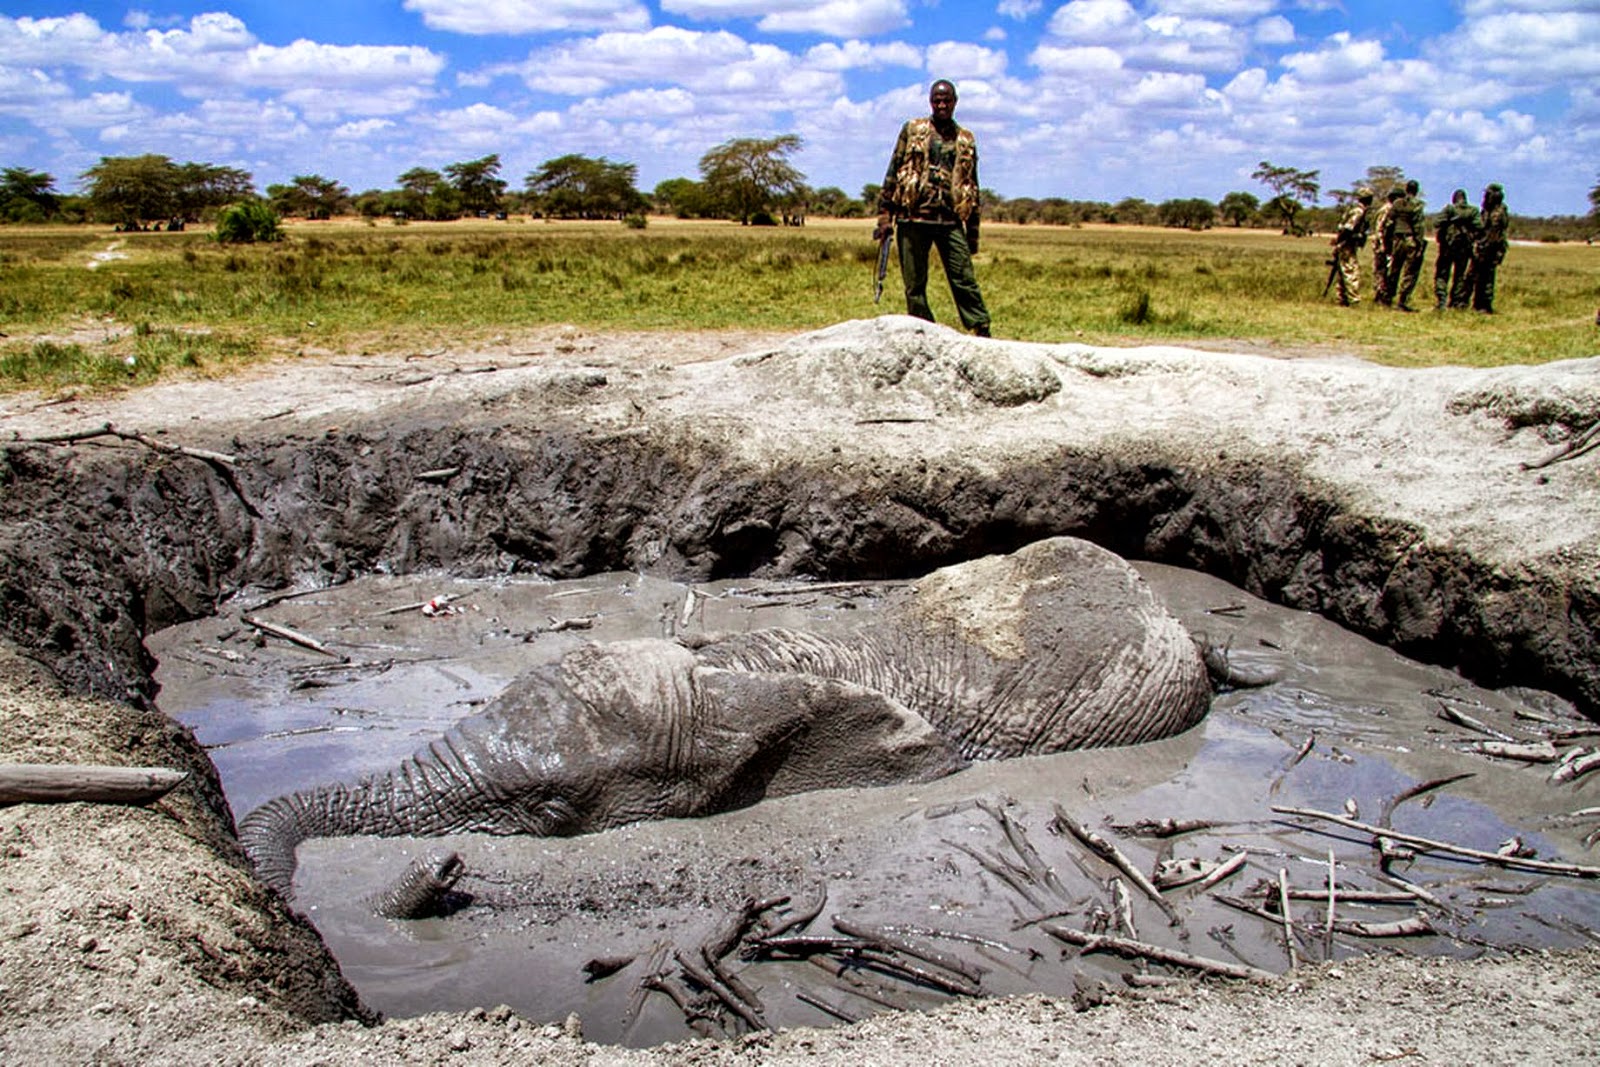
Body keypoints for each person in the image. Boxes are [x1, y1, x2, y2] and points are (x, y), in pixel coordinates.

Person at [874, 79, 992, 337]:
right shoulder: (913, 130)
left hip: (949, 222)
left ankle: (980, 327)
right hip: (912, 219)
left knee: (964, 278)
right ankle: (923, 330)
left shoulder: (965, 139)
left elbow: (972, 186)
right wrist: (884, 216)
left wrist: (972, 234)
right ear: (930, 101)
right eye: (937, 100)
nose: (942, 105)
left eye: (947, 100)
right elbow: (893, 171)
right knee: (914, 284)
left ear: (955, 102)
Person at [1432, 189, 1479, 310]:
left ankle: (1441, 301)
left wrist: (1449, 222)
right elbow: (1479, 227)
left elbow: (1436, 222)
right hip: (1464, 248)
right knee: (1459, 275)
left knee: (1442, 274)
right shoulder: (1473, 211)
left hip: (1447, 248)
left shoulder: (1449, 209)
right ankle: (1455, 302)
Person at [1383, 179, 1426, 312]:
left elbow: (1388, 223)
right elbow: (1418, 226)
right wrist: (1419, 244)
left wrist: (1388, 241)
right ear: (1416, 190)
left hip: (1397, 239)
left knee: (1394, 269)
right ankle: (1403, 300)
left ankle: (1388, 297)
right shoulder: (1417, 204)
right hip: (1410, 239)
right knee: (1410, 271)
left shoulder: (1396, 203)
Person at [1471, 183, 1510, 314]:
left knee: (1486, 276)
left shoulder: (1497, 213)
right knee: (1479, 276)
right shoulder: (1488, 210)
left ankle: (1485, 304)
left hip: (1490, 248)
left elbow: (1493, 234)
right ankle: (1478, 303)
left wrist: (1482, 246)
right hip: (1485, 246)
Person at [1331, 188, 1373, 306]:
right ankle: (1353, 299)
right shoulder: (1358, 212)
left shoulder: (1356, 210)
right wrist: (1339, 241)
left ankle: (1342, 299)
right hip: (1347, 245)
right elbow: (1348, 229)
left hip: (1347, 244)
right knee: (1351, 272)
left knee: (1343, 272)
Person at [1370, 188, 1401, 307]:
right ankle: (1381, 295)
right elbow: (1380, 229)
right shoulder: (1387, 210)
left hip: (1384, 244)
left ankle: (1382, 294)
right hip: (1382, 245)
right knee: (1381, 270)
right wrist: (1383, 245)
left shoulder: (1390, 209)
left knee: (1382, 270)